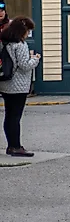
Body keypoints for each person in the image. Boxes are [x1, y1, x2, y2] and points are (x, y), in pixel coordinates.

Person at [1, 16, 41, 157]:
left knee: (8, 115)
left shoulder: (6, 43)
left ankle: (10, 145)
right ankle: (16, 146)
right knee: (16, 117)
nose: (28, 34)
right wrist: (35, 59)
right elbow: (24, 66)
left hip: (5, 84)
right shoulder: (21, 45)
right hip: (19, 86)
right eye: (28, 31)